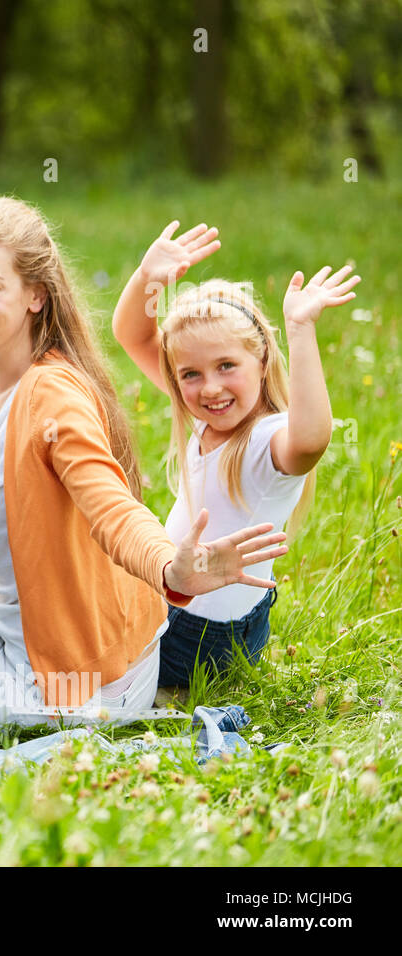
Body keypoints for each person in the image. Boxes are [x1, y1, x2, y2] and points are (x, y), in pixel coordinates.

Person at [0, 36, 291, 726]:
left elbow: (108, 506)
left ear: (35, 294)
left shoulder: (50, 393)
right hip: (101, 663)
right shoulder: (2, 354)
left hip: (63, 690)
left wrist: (174, 569)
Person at [112, 222, 359, 687]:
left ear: (263, 359)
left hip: (199, 637)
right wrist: (149, 275)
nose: (210, 387)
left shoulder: (268, 439)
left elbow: (310, 440)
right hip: (204, 619)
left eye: (227, 365)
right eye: (190, 374)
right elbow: (132, 336)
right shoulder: (210, 415)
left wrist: (300, 330)